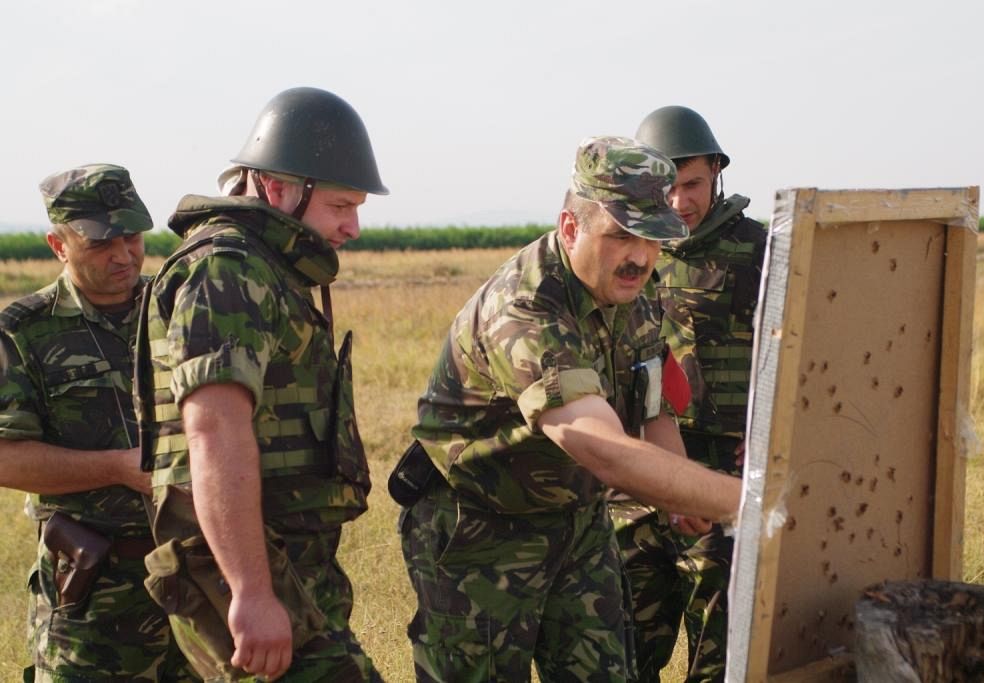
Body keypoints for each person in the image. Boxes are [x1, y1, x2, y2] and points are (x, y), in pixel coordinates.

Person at [392, 136, 743, 683]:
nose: (640, 257)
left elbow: (652, 407)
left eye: (652, 238)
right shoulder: (526, 309)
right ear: (571, 226)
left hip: (578, 522)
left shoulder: (633, 292)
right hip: (481, 528)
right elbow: (597, 445)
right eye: (621, 235)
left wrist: (678, 499)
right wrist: (747, 502)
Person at [134, 87, 388, 682]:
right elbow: (214, 426)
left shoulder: (265, 268)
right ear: (278, 189)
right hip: (247, 569)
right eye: (341, 206)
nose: (352, 226)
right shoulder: (228, 268)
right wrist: (250, 591)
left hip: (286, 562)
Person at [0, 164, 195, 681]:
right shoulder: (22, 332)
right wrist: (119, 468)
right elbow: (6, 457)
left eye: (132, 235)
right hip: (95, 594)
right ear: (57, 245)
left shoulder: (181, 309)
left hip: (198, 576)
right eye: (100, 243)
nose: (124, 254)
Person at [611, 106, 768, 682]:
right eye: (666, 187)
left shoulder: (764, 253)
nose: (680, 202)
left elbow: (806, 360)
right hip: (636, 473)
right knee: (621, 654)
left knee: (722, 656)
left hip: (724, 475)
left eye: (693, 184)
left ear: (718, 174)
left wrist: (767, 444)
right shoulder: (621, 254)